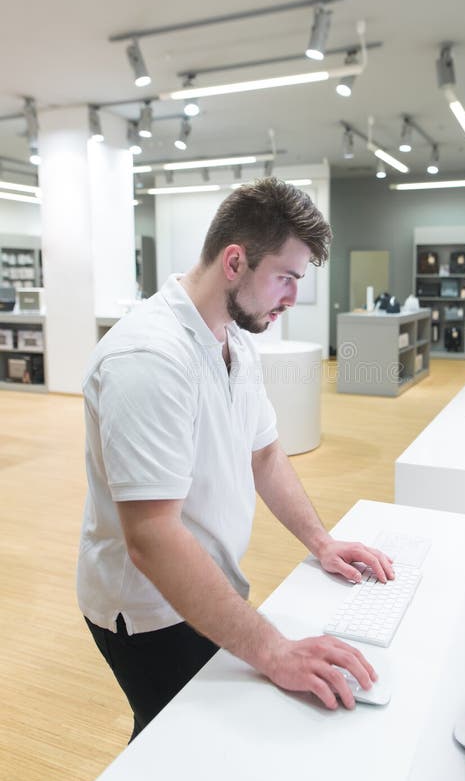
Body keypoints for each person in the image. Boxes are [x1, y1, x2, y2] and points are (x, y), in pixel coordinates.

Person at [77, 177, 394, 740]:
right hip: (152, 610)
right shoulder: (147, 358)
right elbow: (151, 538)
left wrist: (321, 542)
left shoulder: (235, 339)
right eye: (286, 278)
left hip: (207, 584)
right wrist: (272, 649)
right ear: (234, 262)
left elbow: (266, 455)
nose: (293, 298)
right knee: (175, 748)